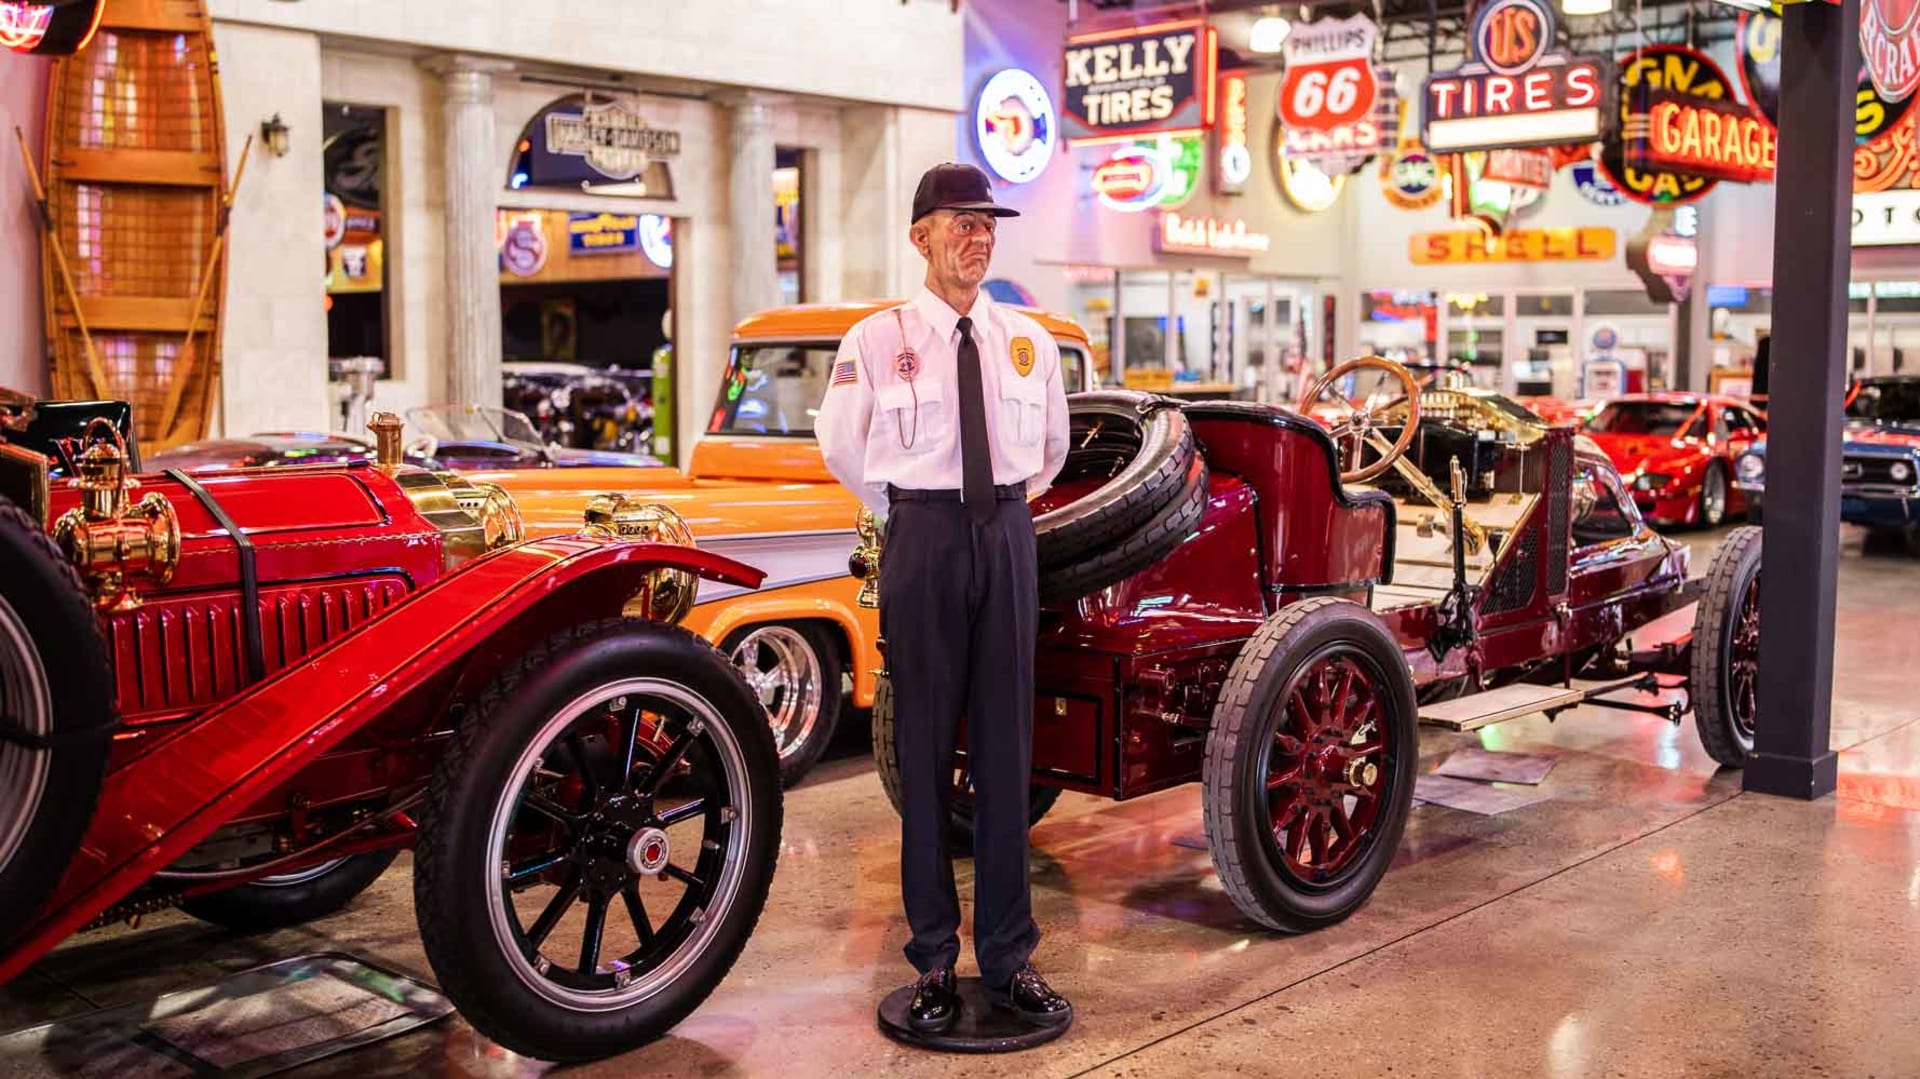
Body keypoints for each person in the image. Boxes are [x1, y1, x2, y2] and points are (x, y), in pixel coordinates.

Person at [816, 162, 1073, 1033]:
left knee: (1008, 753)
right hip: (921, 537)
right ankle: (932, 958)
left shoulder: (1025, 338)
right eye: (961, 220)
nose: (979, 233)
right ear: (921, 235)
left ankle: (1008, 959)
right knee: (922, 757)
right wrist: (910, 510)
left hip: (1005, 534)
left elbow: (1050, 448)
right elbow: (844, 449)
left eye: (988, 221)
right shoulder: (877, 338)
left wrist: (998, 515)